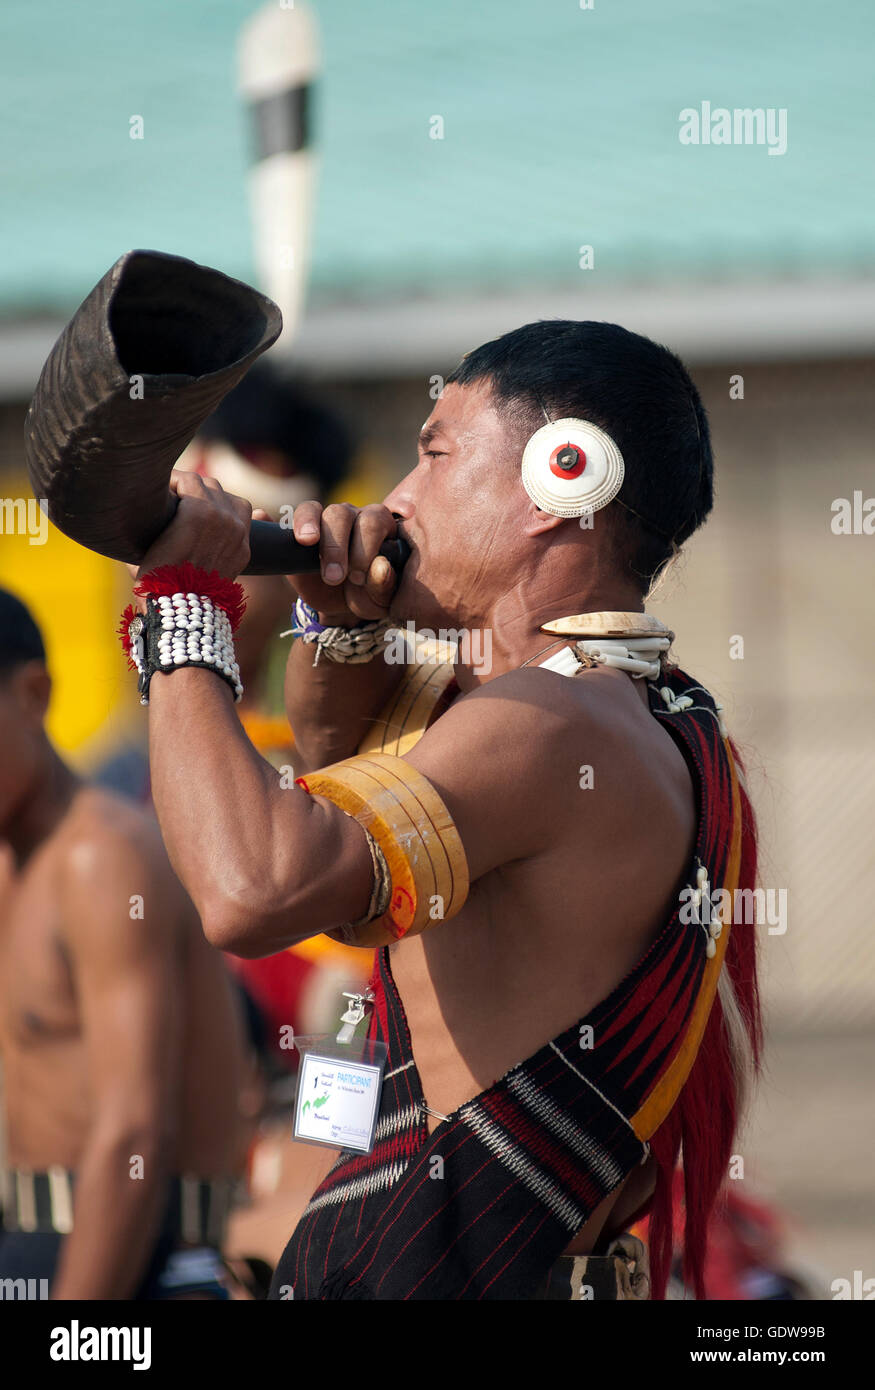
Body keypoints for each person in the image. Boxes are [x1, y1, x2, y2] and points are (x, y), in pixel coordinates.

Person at [115, 320, 762, 1301]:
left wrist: (185, 605)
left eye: (433, 452)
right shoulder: (597, 708)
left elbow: (252, 889)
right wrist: (338, 624)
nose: (397, 497)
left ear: (563, 473)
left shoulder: (551, 720)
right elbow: (337, 829)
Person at [0, 589, 248, 1299]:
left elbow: (134, 1133)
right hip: (38, 1249)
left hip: (132, 1265)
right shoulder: (14, 861)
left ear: (32, 693)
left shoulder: (101, 857)